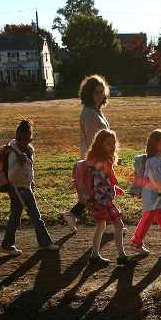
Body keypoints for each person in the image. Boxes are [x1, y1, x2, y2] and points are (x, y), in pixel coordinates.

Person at [0, 119, 59, 255]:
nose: (24, 142)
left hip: (24, 187)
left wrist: (31, 180)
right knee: (35, 217)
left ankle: (7, 245)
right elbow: (12, 176)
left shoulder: (28, 150)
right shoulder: (14, 153)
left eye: (27, 139)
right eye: (21, 139)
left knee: (15, 218)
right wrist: (21, 163)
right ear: (17, 137)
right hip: (19, 189)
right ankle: (44, 243)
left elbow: (29, 169)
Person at [65, 74, 114, 233]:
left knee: (94, 193)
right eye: (96, 92)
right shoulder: (90, 113)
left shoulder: (95, 111)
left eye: (102, 92)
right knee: (101, 192)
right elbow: (96, 141)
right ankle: (110, 224)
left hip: (98, 159)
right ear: (89, 94)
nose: (100, 95)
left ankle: (72, 215)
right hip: (94, 160)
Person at [74, 129, 131, 265]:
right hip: (102, 200)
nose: (112, 146)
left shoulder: (100, 161)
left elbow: (102, 181)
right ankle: (121, 255)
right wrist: (104, 198)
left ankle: (95, 255)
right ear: (100, 145)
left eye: (113, 143)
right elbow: (100, 183)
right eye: (108, 143)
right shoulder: (101, 163)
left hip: (97, 200)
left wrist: (114, 189)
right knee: (118, 224)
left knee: (101, 225)